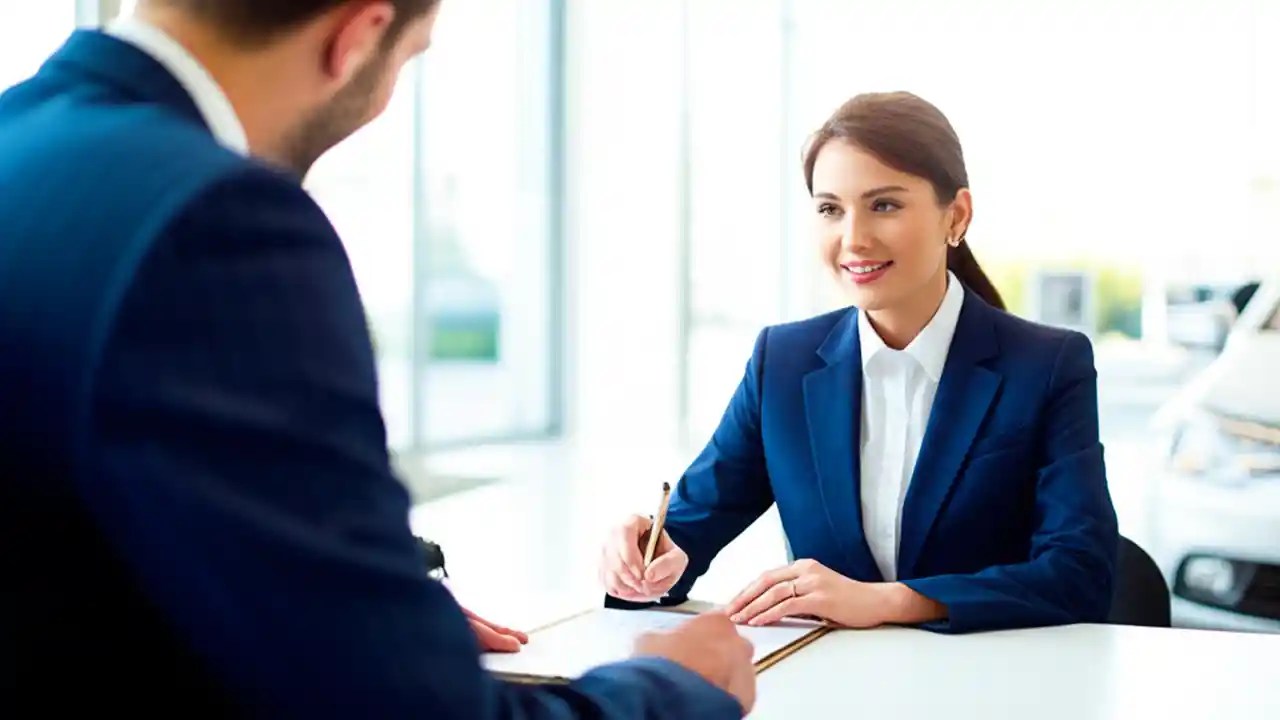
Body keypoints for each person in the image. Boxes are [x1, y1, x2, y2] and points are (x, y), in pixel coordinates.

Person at [0, 1, 755, 716]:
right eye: (410, 57)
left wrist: (359, 611)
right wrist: (675, 689)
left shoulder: (21, 137)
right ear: (358, 35)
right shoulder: (218, 223)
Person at [601, 92, 1119, 634]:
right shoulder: (783, 364)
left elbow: (1079, 575)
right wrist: (643, 561)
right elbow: (687, 535)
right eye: (830, 209)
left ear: (957, 215)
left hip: (993, 672)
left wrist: (890, 602)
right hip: (834, 675)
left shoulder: (1046, 366)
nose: (853, 239)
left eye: (884, 205)